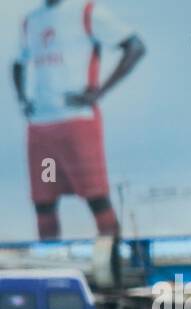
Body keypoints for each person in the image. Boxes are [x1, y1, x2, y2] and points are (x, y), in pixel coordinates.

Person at [12, 0, 145, 241]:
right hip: (42, 129)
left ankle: (111, 262)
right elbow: (18, 63)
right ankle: (49, 266)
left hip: (77, 124)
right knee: (44, 201)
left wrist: (99, 91)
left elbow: (134, 46)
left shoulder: (87, 12)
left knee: (95, 196)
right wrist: (23, 99)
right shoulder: (32, 21)